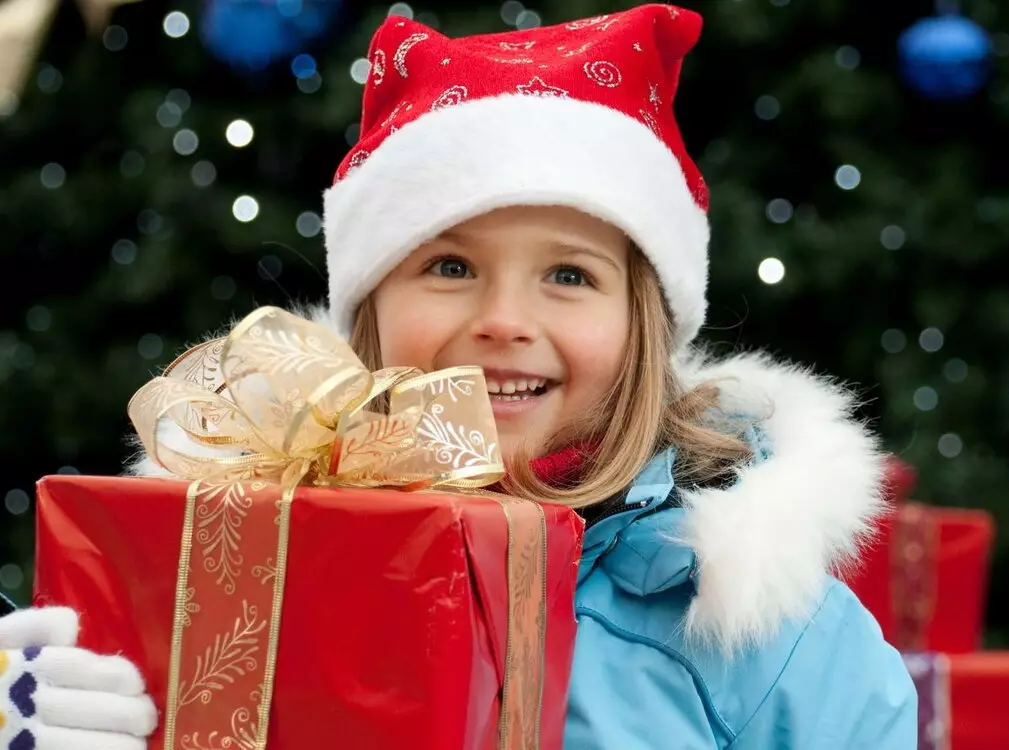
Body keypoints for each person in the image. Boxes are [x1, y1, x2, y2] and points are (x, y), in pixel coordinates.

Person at [1, 5, 917, 748]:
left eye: (569, 276)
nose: (504, 321)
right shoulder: (222, 568)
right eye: (448, 267)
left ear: (645, 329)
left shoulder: (758, 630)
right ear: (367, 314)